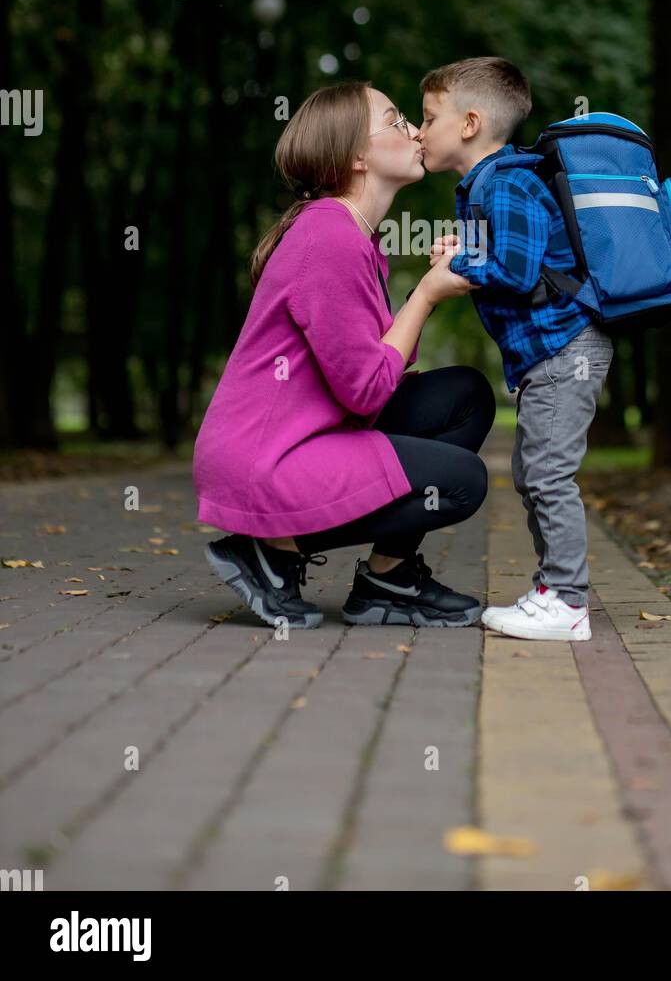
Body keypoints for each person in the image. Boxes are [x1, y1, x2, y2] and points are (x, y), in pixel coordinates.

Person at [193, 80, 496, 629]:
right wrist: (427, 296)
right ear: (358, 155)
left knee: (465, 397)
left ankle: (389, 579)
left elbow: (376, 365)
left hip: (307, 437)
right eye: (395, 120)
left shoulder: (354, 237)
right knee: (462, 481)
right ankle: (268, 551)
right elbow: (367, 390)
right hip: (268, 460)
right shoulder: (329, 237)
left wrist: (425, 287)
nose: (413, 130)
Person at [418, 57, 613, 641]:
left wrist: (461, 261)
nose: (420, 131)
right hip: (549, 353)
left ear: (470, 122)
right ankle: (554, 591)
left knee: (549, 475)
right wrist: (467, 248)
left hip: (565, 349)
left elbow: (520, 271)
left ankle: (568, 603)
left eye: (429, 119)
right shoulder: (491, 185)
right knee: (534, 472)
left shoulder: (506, 181)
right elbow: (512, 256)